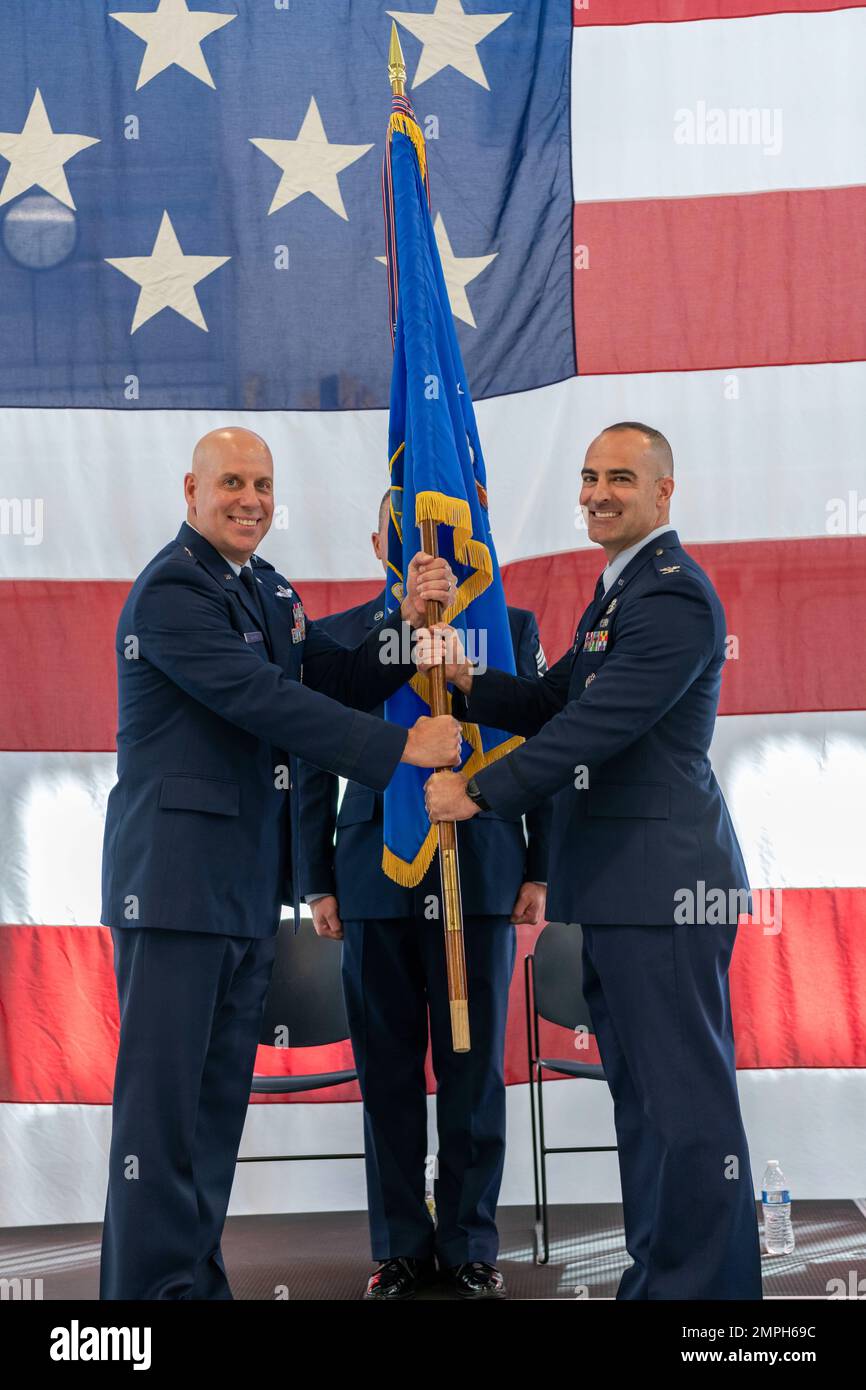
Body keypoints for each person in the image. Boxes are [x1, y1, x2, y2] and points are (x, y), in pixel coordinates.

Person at [99, 426, 461, 1300]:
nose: (250, 500)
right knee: (162, 1121)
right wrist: (402, 748)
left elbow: (332, 676)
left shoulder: (265, 586)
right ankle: (144, 1301)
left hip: (241, 895)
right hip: (175, 892)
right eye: (231, 482)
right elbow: (265, 700)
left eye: (262, 484)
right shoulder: (174, 590)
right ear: (192, 490)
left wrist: (405, 621)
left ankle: (190, 1286)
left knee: (211, 1114)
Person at [424, 422, 763, 1301]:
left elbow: (594, 727)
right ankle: (662, 1282)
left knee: (684, 1107)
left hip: (664, 888)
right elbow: (554, 698)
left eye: (620, 477)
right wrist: (468, 683)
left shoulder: (673, 595)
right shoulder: (622, 591)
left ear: (663, 492)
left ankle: (709, 1305)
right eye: (588, 477)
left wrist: (478, 792)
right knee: (645, 1105)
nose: (597, 493)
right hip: (625, 888)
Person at [297, 491, 551, 1301]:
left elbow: (542, 743)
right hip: (373, 875)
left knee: (474, 1072)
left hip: (480, 870)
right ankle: (401, 1246)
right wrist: (315, 877)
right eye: (403, 531)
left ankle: (471, 1243)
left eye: (438, 529)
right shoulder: (338, 638)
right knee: (388, 1072)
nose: (421, 544)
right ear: (378, 543)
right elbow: (310, 759)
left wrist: (540, 867)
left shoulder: (507, 628)